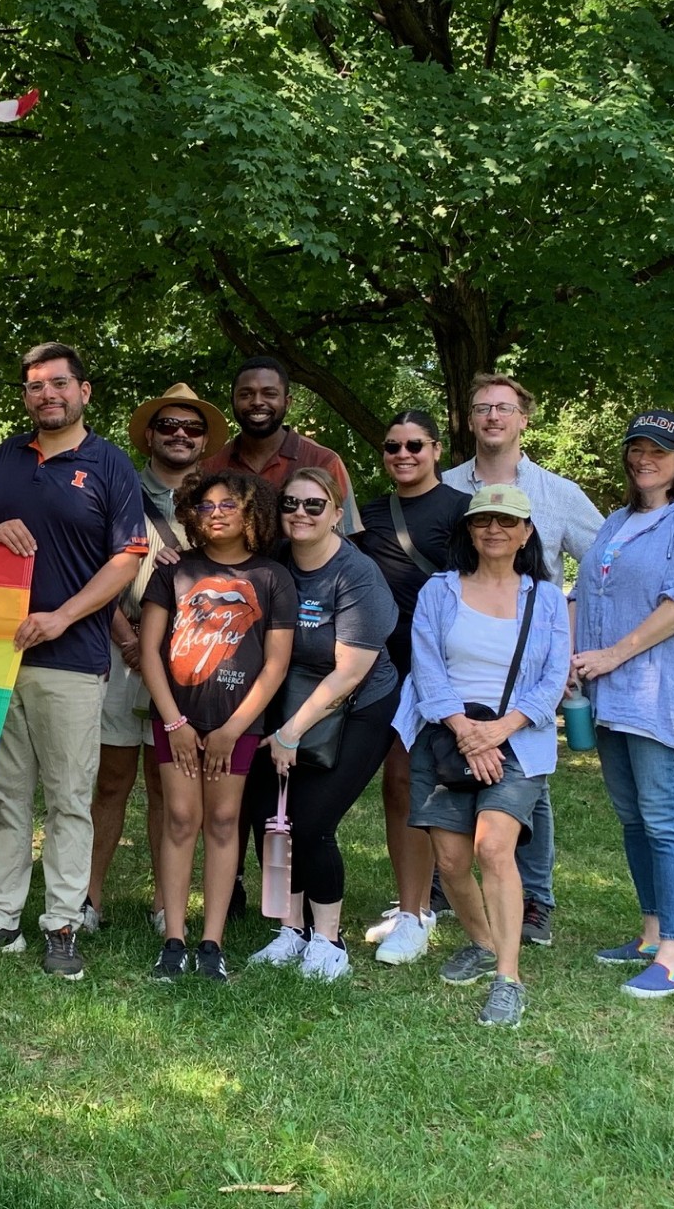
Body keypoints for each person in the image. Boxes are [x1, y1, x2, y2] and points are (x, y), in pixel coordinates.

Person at [0, 344, 146, 981]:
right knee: (5, 795)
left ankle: (62, 923)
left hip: (72, 657)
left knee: (68, 797)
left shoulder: (110, 464)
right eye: (35, 386)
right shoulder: (7, 455)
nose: (47, 395)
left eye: (59, 383)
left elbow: (128, 558)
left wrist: (63, 616)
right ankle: (1, 918)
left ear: (84, 391)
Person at [572, 410, 674, 999]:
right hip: (612, 694)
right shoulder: (617, 520)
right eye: (636, 448)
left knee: (666, 817)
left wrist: (612, 654)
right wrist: (572, 661)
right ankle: (649, 935)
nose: (645, 458)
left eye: (658, 450)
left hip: (664, 693)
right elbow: (586, 594)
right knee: (633, 818)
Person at [393, 486, 570, 1027]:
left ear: (526, 532)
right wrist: (466, 730)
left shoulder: (547, 599)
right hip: (446, 736)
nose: (494, 530)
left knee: (492, 848)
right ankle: (483, 943)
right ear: (469, 530)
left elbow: (553, 678)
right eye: (483, 520)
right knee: (450, 862)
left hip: (518, 741)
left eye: (507, 521)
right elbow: (426, 666)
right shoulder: (439, 591)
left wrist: (499, 732)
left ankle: (508, 980)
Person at [441, 372, 605, 949]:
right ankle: (449, 884)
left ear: (523, 420)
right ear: (469, 419)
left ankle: (535, 898)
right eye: (482, 407)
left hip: (531, 663)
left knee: (529, 776)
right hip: (462, 655)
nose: (493, 417)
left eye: (504, 408)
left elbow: (606, 562)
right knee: (449, 759)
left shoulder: (556, 492)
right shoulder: (446, 487)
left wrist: (569, 634)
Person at [245, 466, 400, 980]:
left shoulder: (356, 574)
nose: (301, 514)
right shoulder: (275, 562)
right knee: (272, 819)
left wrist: (291, 733)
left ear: (336, 514)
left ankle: (329, 941)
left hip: (357, 705)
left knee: (311, 822)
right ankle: (290, 931)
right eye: (291, 503)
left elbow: (350, 672)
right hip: (287, 698)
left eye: (314, 505)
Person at [139, 468, 294, 983]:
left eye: (229, 504)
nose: (217, 513)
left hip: (238, 726)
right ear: (192, 514)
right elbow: (150, 650)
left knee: (224, 822)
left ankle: (212, 942)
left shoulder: (272, 577)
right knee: (181, 819)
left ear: (252, 512)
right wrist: (175, 722)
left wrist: (233, 729)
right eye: (206, 506)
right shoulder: (175, 570)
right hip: (177, 721)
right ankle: (174, 939)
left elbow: (275, 664)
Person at [86, 384, 228, 936]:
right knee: (110, 779)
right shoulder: (118, 488)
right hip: (119, 648)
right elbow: (93, 568)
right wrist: (129, 639)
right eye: (168, 425)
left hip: (190, 661)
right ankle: (88, 899)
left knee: (170, 784)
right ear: (149, 434)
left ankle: (165, 903)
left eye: (192, 428)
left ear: (204, 440)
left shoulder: (218, 497)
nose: (180, 435)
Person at [351, 409, 471, 962]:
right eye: (393, 446)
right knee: (394, 787)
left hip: (437, 667)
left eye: (415, 445)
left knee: (411, 780)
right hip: (378, 664)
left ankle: (419, 913)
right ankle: (409, 905)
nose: (403, 454)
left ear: (436, 449)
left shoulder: (463, 510)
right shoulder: (369, 514)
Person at [201, 356, 361, 533]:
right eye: (246, 394)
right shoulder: (211, 465)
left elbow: (348, 537)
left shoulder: (323, 461)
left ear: (287, 402)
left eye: (269, 394)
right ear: (233, 401)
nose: (257, 402)